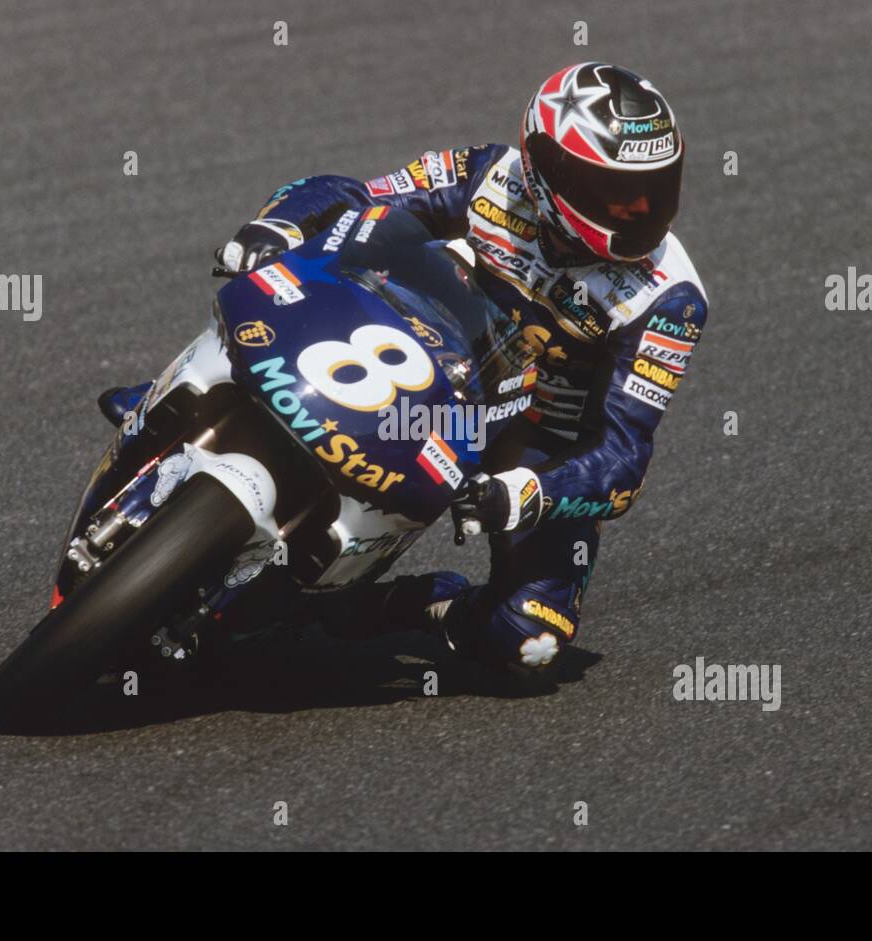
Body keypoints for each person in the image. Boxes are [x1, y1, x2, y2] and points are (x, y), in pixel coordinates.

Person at [102, 62, 708, 674]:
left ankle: (367, 606)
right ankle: (182, 396)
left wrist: (531, 492)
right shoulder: (492, 176)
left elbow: (624, 458)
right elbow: (353, 196)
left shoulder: (669, 296)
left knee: (531, 640)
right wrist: (277, 226)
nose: (641, 208)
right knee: (278, 283)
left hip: (528, 435)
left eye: (657, 187)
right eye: (617, 190)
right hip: (414, 340)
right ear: (549, 171)